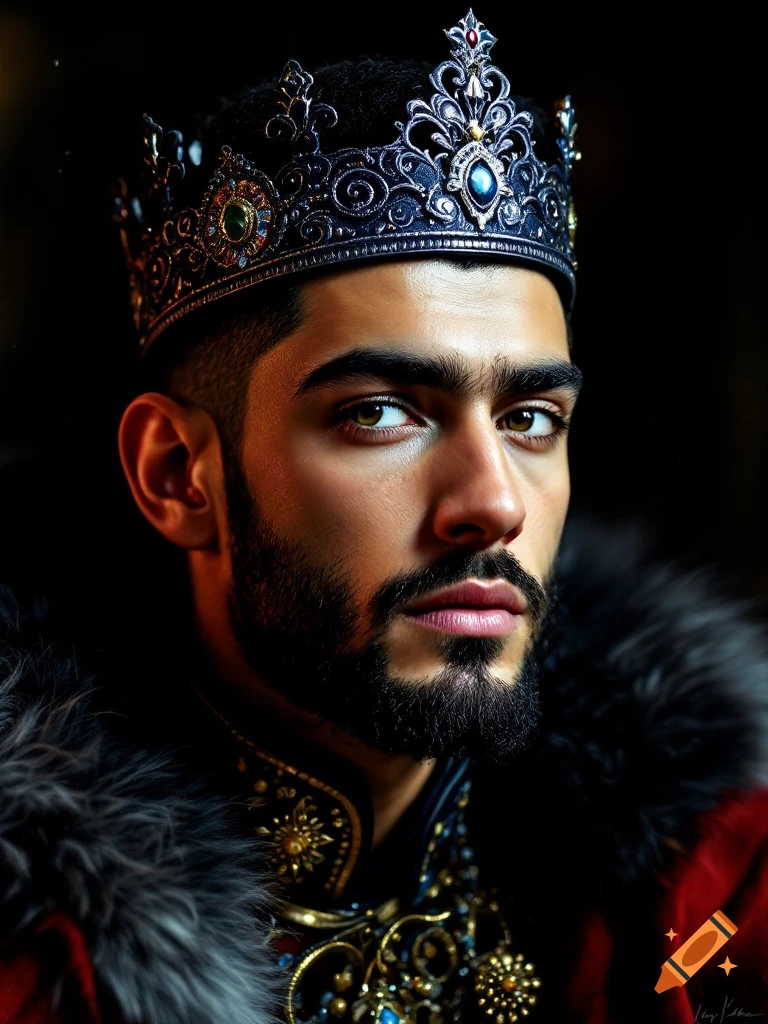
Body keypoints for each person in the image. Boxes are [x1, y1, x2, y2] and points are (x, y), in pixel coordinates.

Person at [1, 11, 767, 1024]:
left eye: (532, 417)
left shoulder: (711, 889)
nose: (492, 501)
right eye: (381, 414)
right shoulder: (42, 967)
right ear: (178, 473)